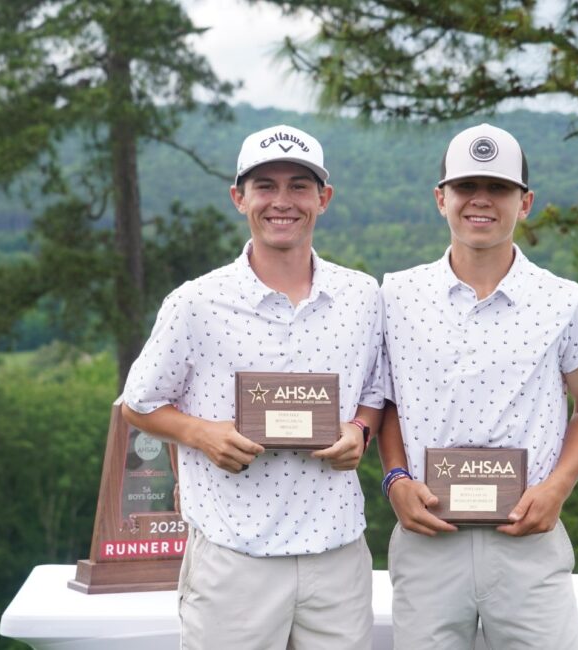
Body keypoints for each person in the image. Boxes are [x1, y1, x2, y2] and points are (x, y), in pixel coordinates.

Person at [121, 124, 384, 649]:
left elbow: (373, 394)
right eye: (265, 186)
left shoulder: (363, 295)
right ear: (239, 197)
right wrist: (201, 434)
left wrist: (359, 429)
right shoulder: (194, 303)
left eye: (298, 186)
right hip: (232, 557)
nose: (281, 201)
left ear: (323, 198)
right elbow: (139, 404)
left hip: (336, 554)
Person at [379, 123, 578, 648]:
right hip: (429, 539)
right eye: (465, 187)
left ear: (525, 202)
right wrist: (394, 477)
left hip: (527, 541)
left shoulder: (565, 301)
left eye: (499, 189)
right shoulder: (397, 295)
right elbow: (387, 401)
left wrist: (558, 487)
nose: (480, 201)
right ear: (441, 198)